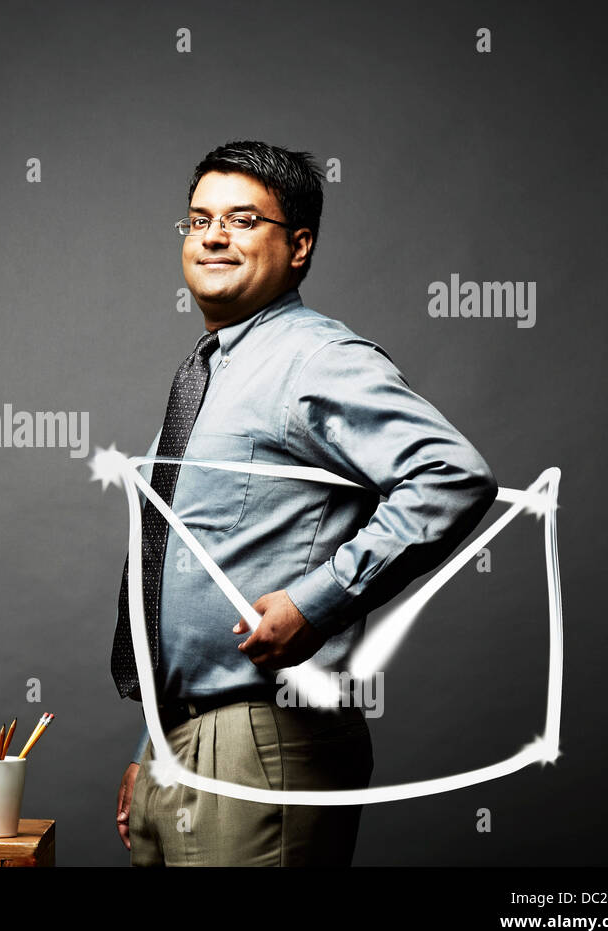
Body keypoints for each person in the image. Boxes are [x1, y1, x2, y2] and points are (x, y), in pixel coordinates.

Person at [111, 140, 498, 866]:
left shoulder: (315, 358)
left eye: (242, 219)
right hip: (185, 739)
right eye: (199, 221)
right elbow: (186, 581)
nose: (214, 236)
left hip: (263, 737)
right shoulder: (213, 371)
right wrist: (153, 745)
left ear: (299, 245)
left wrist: (317, 603)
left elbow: (451, 475)